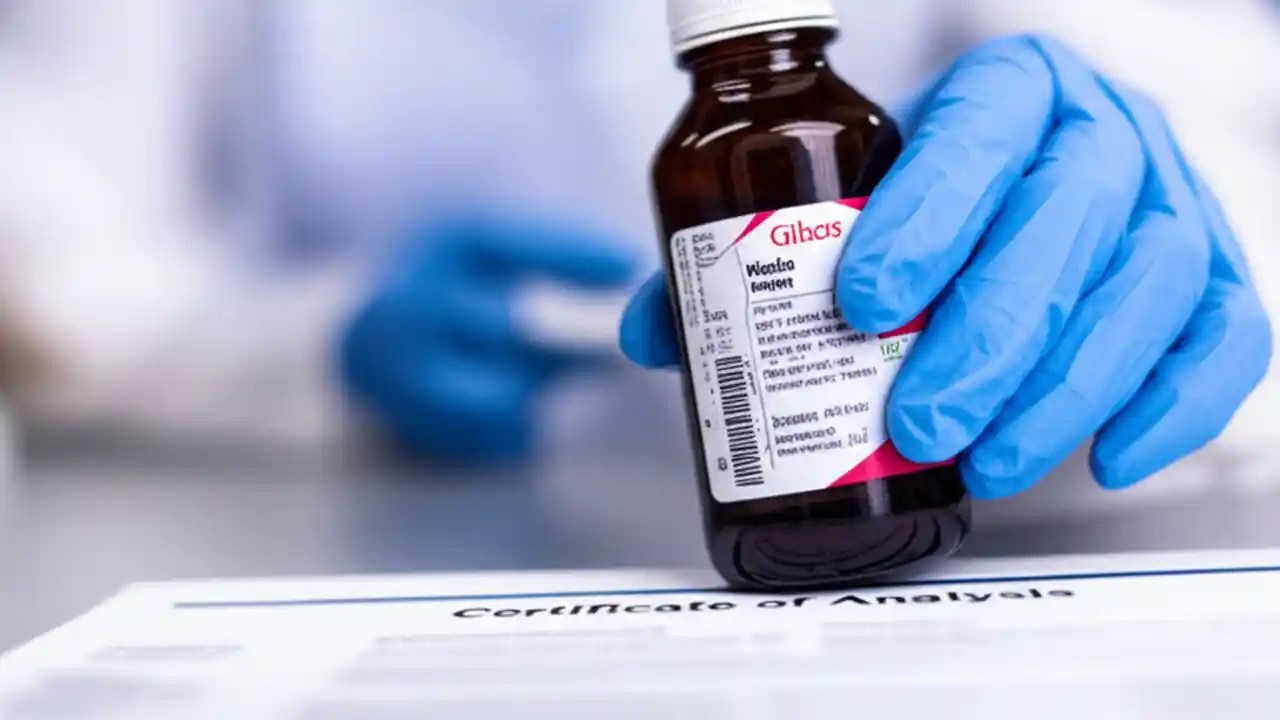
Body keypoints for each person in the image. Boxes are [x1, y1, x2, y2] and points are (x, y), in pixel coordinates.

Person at [0, 0, 1275, 508]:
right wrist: (307, 348)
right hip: (386, 518)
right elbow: (53, 251)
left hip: (971, 518)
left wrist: (1135, 205)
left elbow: (1214, 144)